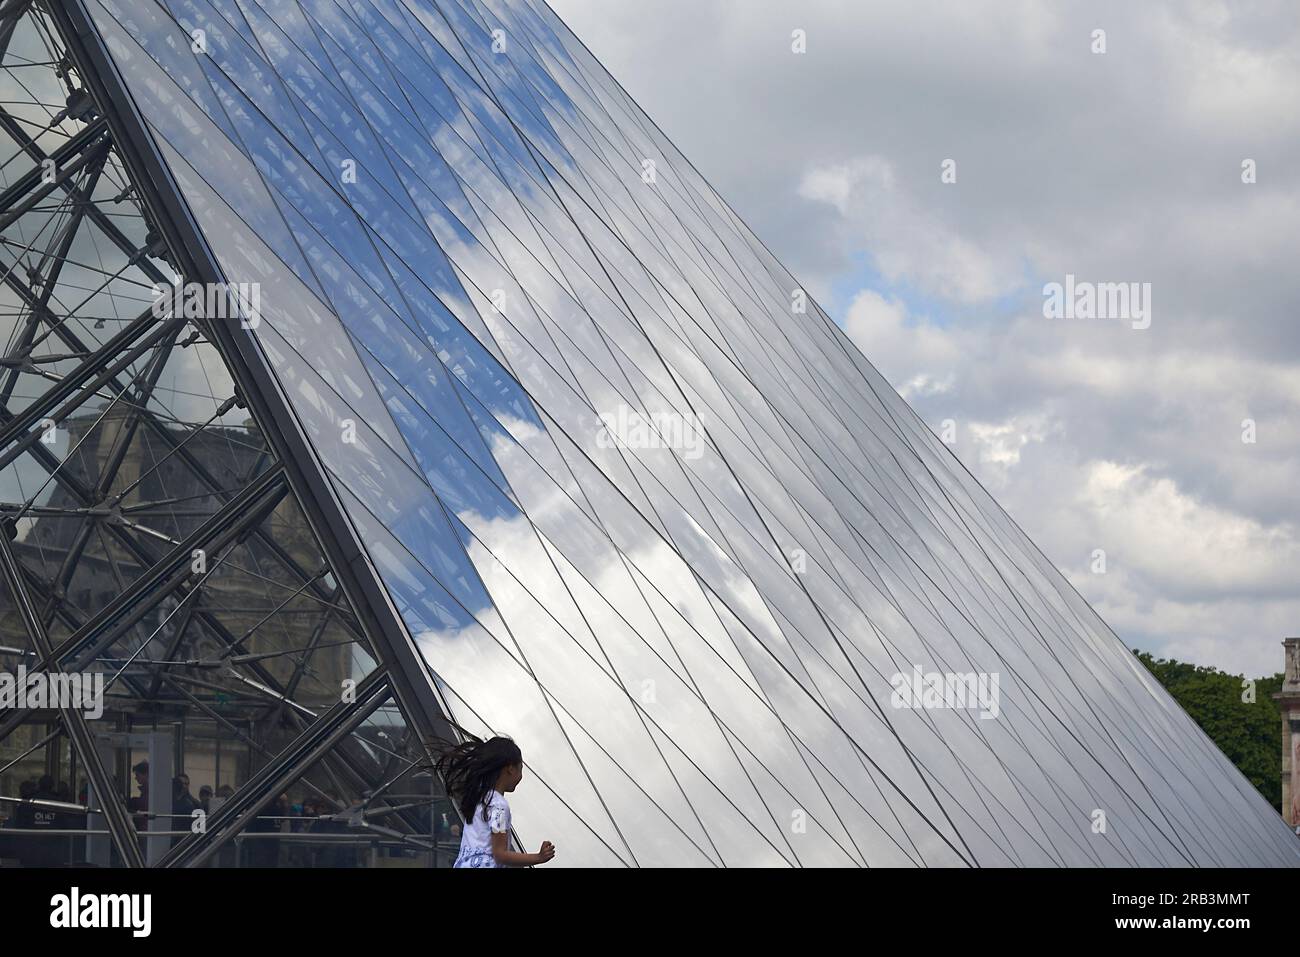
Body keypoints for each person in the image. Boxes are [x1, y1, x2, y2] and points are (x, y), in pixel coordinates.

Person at [433, 736, 555, 868]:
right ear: (510, 768)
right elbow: (500, 854)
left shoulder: (478, 798)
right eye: (520, 768)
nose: (521, 775)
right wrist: (538, 857)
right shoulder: (499, 807)